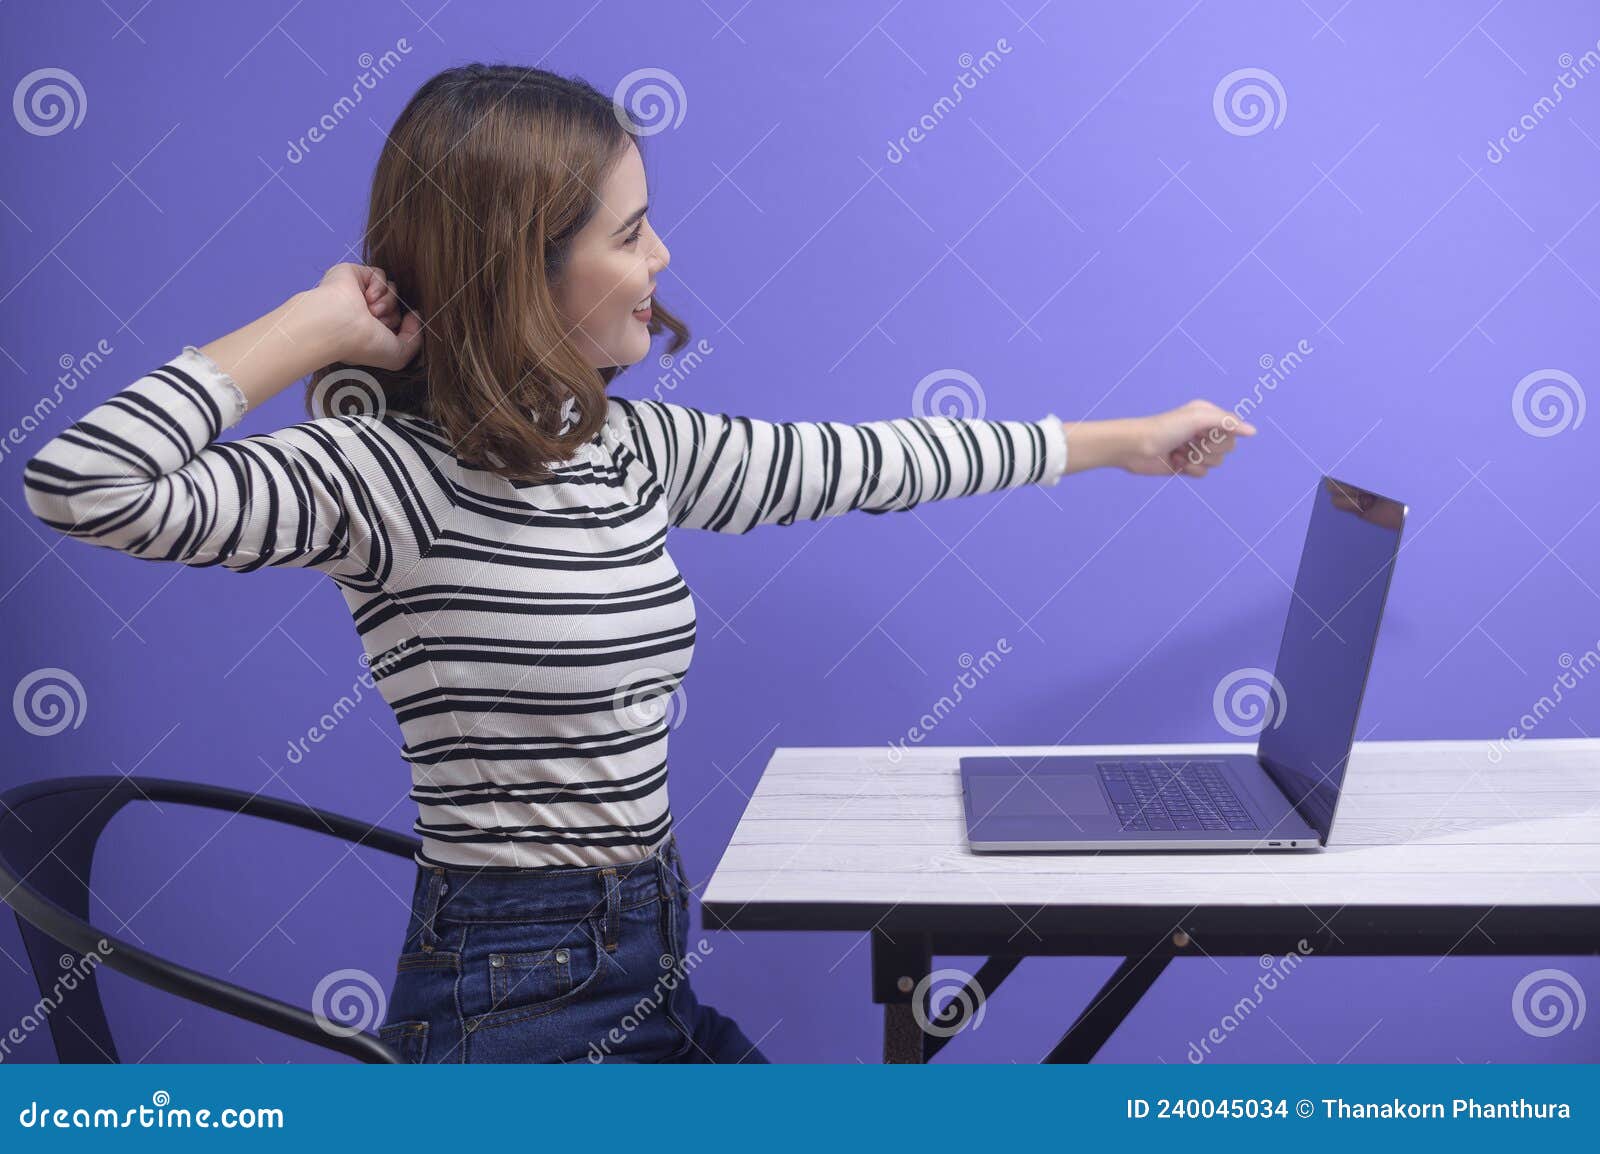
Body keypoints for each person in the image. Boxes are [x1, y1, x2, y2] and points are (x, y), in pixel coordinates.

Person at [21, 63, 1253, 1064]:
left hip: (646, 966)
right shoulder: (377, 477)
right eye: (630, 229)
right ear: (522, 267)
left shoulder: (621, 451)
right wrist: (314, 322)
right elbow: (81, 485)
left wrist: (1119, 444)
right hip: (509, 1008)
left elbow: (872, 459)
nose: (661, 257)